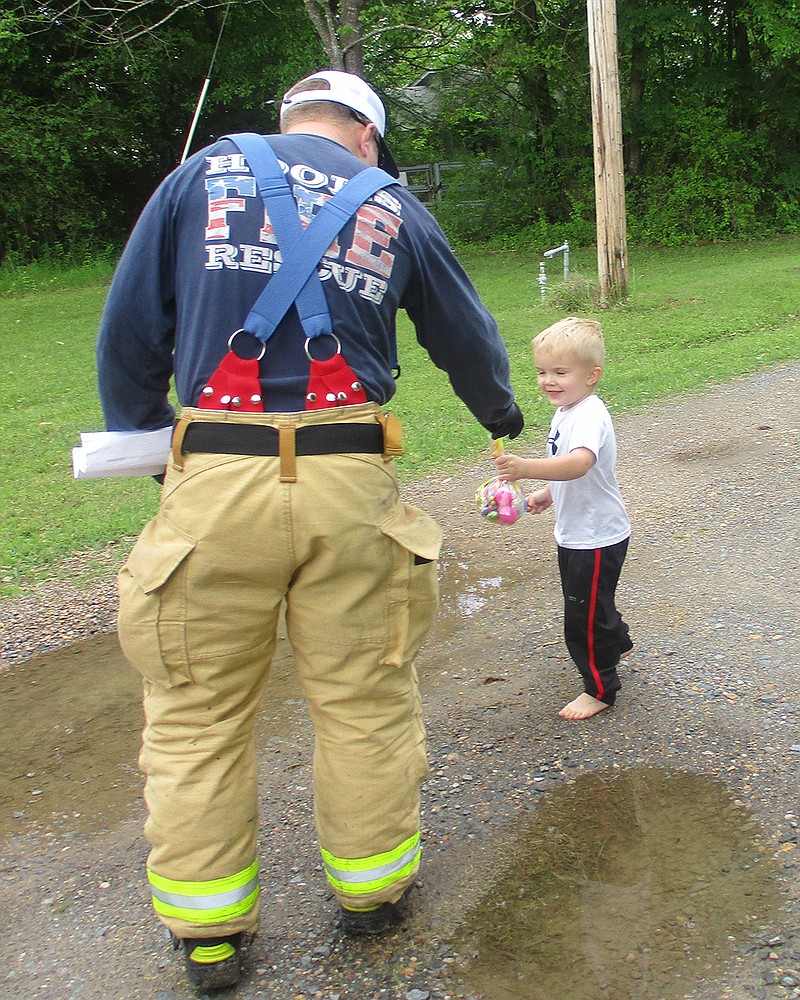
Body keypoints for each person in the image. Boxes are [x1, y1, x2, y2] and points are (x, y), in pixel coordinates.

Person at [96, 69, 523, 991]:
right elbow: (465, 334)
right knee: (365, 699)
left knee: (196, 716)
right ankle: (372, 896)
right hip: (348, 479)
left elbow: (129, 330)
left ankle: (209, 933)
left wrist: (156, 452)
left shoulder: (197, 178)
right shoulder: (391, 202)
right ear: (367, 137)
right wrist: (502, 415)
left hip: (215, 475)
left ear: (291, 119)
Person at [494, 316, 631, 721]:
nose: (548, 381)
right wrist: (547, 494)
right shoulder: (568, 410)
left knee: (582, 618)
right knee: (592, 602)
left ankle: (600, 689)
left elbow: (579, 463)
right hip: (580, 531)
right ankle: (618, 642)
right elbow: (566, 468)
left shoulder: (588, 415)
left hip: (595, 535)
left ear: (592, 375)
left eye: (560, 372)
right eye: (542, 372)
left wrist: (525, 469)